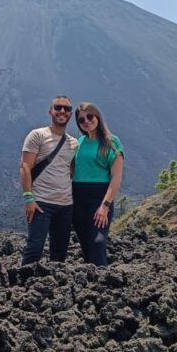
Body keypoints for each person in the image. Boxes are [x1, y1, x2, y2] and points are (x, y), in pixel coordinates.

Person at [19, 95, 80, 265]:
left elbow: (72, 171)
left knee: (60, 252)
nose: (62, 111)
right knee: (34, 248)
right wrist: (28, 197)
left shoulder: (74, 143)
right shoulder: (37, 135)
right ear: (50, 111)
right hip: (41, 203)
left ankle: (55, 287)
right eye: (58, 107)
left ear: (70, 113)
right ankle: (24, 286)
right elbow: (25, 167)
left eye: (66, 109)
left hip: (66, 205)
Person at [72, 102, 124, 266]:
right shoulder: (79, 142)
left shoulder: (112, 142)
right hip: (77, 198)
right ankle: (90, 285)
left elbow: (116, 178)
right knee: (86, 245)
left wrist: (105, 205)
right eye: (81, 120)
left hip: (99, 198)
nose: (86, 121)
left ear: (98, 117)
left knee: (97, 242)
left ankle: (103, 284)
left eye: (90, 116)